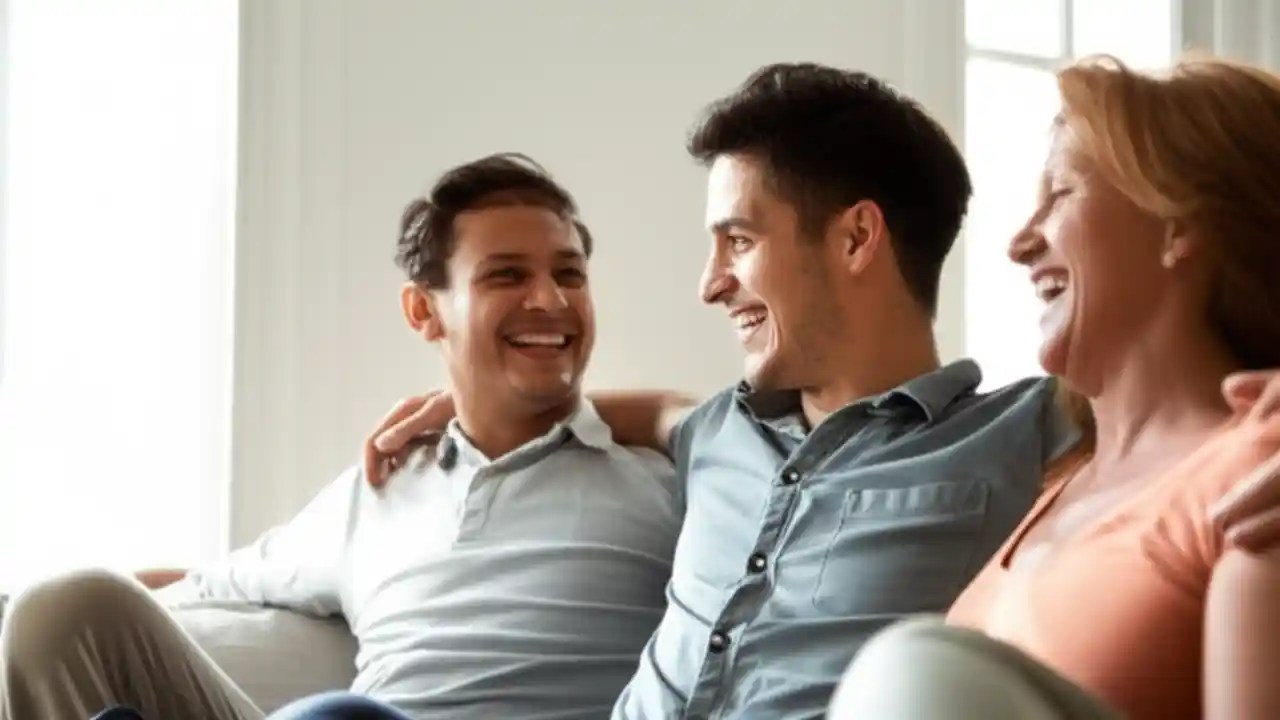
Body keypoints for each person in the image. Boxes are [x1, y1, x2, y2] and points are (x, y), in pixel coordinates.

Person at [365, 63, 1280, 719]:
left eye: (738, 242)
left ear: (855, 241)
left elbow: (1181, 418)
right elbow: (641, 413)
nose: (710, 283)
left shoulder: (1027, 437)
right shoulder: (715, 428)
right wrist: (483, 398)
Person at [0, 153, 682, 720]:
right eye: (508, 275)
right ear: (423, 309)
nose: (551, 300)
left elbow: (743, 427)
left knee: (336, 719)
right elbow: (209, 584)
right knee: (60, 609)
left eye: (570, 274)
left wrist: (641, 414)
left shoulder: (667, 481)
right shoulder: (378, 489)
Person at [827, 55, 1280, 720]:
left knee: (914, 672)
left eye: (1061, 193)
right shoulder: (1055, 479)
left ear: (1179, 225)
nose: (1018, 242)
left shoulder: (1255, 474)